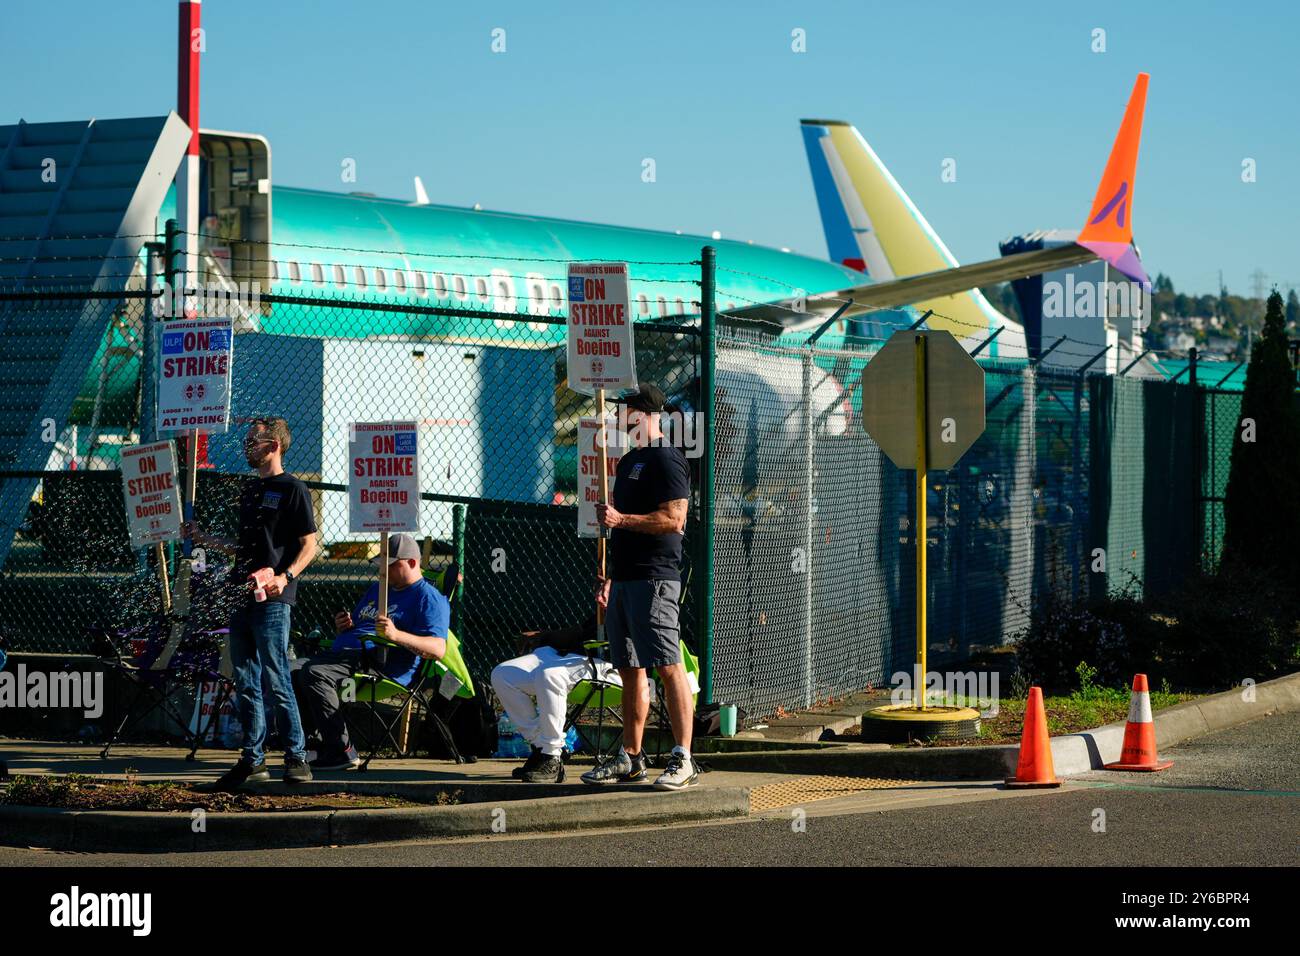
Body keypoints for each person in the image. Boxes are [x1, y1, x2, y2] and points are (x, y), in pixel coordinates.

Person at [186, 416, 318, 791]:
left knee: (276, 675)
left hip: (274, 599)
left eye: (253, 440)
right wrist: (205, 538)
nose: (247, 446)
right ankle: (253, 758)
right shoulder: (250, 491)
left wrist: (284, 577)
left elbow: (310, 545)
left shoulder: (293, 489)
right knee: (244, 678)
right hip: (241, 593)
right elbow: (243, 549)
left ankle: (296, 757)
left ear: (273, 445)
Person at [581, 382, 698, 790]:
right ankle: (631, 757)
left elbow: (673, 520)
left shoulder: (668, 460)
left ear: (645, 414)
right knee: (631, 669)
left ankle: (683, 758)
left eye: (624, 409)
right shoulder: (629, 460)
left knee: (668, 666)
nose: (616, 415)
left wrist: (621, 520)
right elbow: (621, 522)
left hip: (655, 580)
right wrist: (611, 576)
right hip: (627, 580)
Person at [292, 533, 449, 769]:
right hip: (346, 656)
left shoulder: (427, 598)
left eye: (390, 566)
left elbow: (438, 649)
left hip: (380, 664)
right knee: (288, 669)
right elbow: (361, 628)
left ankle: (341, 749)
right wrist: (345, 627)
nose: (383, 572)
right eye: (381, 566)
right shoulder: (379, 589)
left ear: (412, 563)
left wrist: (396, 635)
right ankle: (312, 744)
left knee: (315, 673)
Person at [491, 614, 621, 783]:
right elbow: (581, 633)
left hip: (608, 665)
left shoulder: (634, 597)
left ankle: (552, 755)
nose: (599, 594)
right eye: (597, 586)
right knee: (502, 674)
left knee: (550, 675)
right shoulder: (603, 605)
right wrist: (544, 635)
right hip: (569, 655)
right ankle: (541, 746)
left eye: (605, 587)